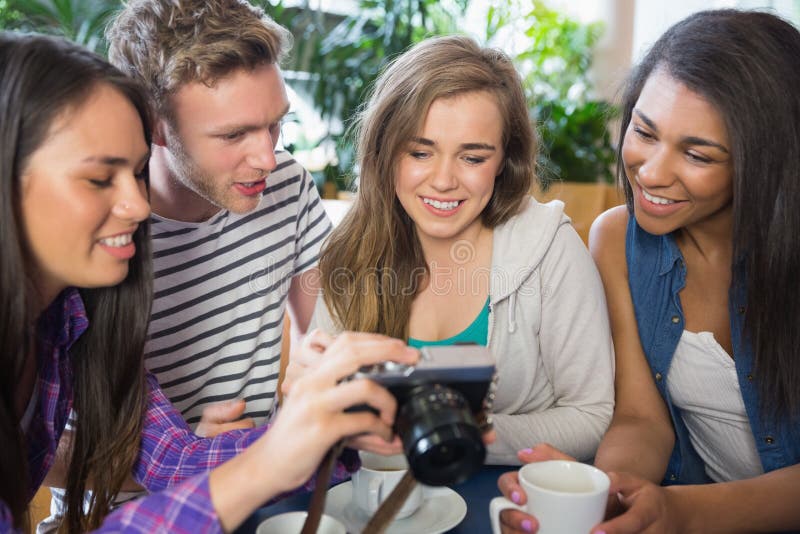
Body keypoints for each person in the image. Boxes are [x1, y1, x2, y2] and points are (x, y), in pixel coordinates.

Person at [0, 32, 417, 533]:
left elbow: (169, 455)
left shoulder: (71, 312)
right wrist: (276, 456)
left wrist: (323, 433)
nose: (137, 206)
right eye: (98, 179)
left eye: (136, 172)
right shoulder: (93, 268)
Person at [497, 9, 800, 533]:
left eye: (698, 155)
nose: (651, 172)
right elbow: (641, 419)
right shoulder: (617, 240)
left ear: (767, 162)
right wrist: (606, 495)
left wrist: (681, 512)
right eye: (643, 131)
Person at [44, 0, 335, 527]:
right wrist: (182, 463)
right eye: (233, 135)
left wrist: (320, 370)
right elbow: (37, 455)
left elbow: (329, 329)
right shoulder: (94, 235)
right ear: (155, 126)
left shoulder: (287, 186)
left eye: (275, 124)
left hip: (262, 501)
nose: (266, 157)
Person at [306, 35, 615, 464]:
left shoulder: (551, 247)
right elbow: (318, 409)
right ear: (384, 152)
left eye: (472, 158)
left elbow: (592, 415)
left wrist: (455, 433)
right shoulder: (351, 250)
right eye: (420, 152)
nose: (443, 180)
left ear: (505, 160)